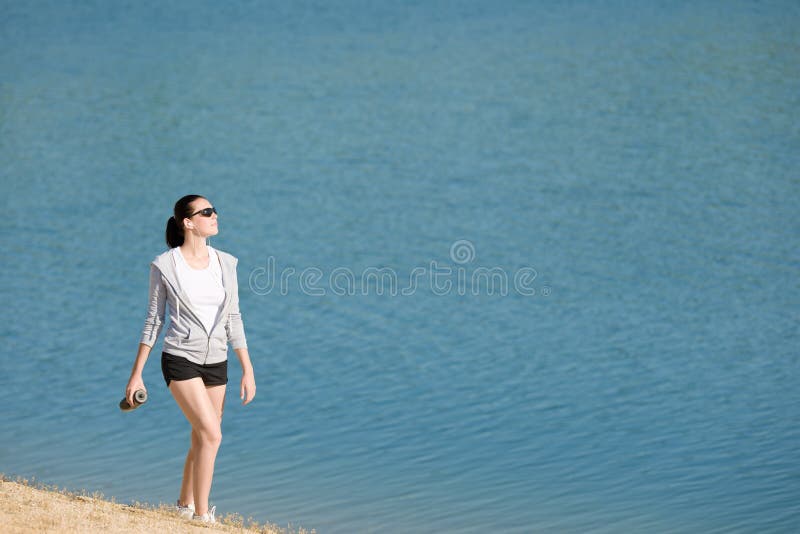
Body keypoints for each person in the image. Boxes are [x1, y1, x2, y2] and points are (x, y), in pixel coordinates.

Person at [125, 194, 256, 524]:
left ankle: (183, 504)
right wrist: (136, 374)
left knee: (202, 435)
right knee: (212, 434)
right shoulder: (165, 266)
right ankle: (201, 515)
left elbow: (234, 318)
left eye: (214, 210)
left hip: (217, 360)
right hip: (180, 357)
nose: (215, 215)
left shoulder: (226, 263)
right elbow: (154, 321)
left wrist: (247, 368)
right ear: (188, 222)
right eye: (207, 212)